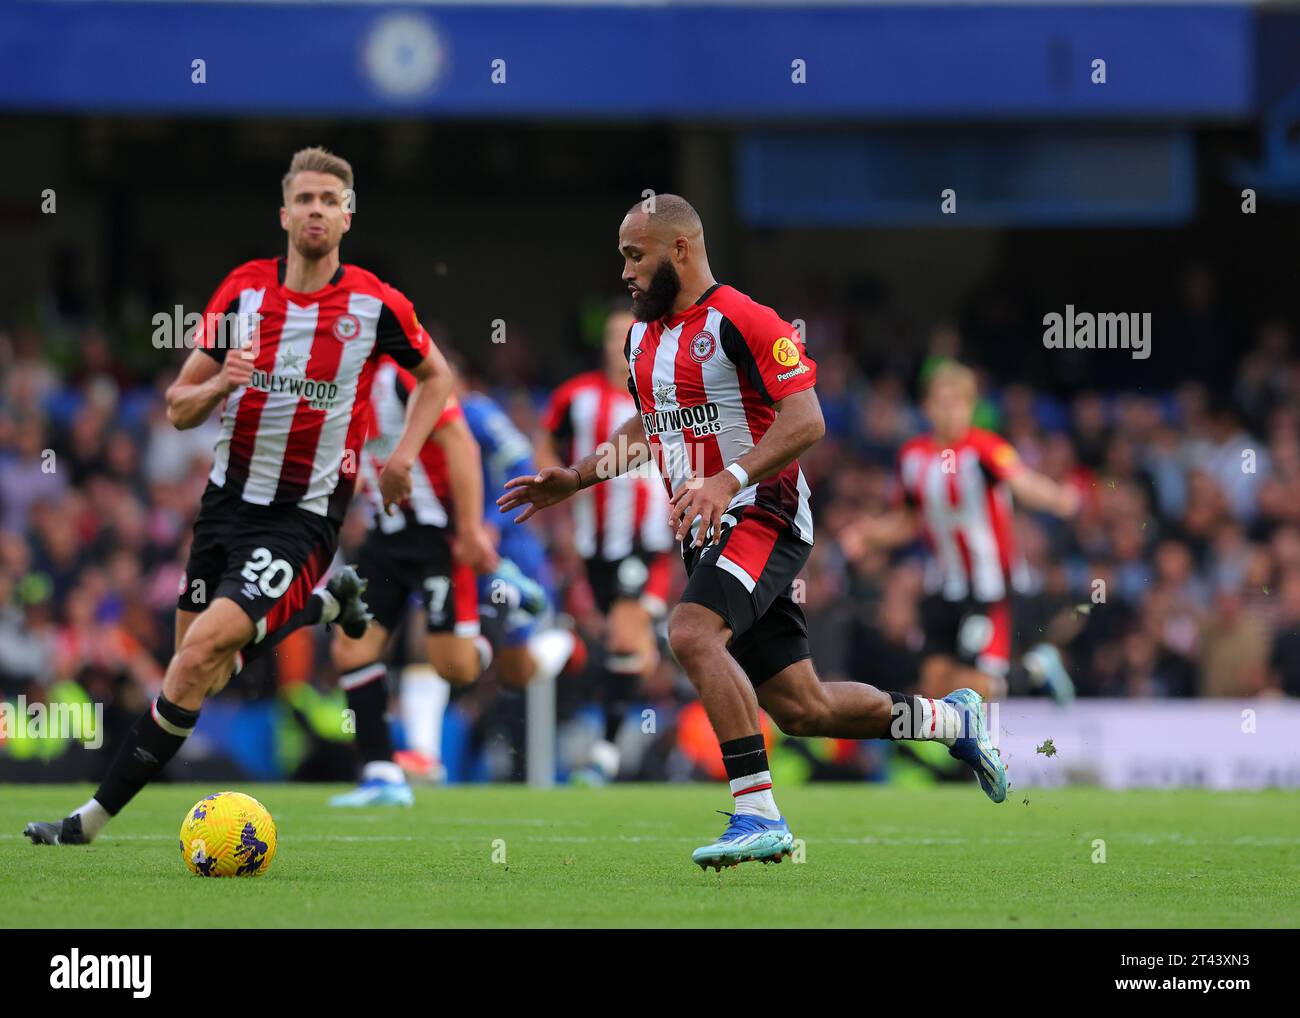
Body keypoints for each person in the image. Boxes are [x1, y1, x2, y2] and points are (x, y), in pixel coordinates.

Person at [498, 195, 1007, 871]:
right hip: (709, 528)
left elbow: (807, 419)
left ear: (680, 249)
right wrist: (577, 476)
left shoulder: (745, 319)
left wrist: (727, 479)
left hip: (764, 513)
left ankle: (758, 814)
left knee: (689, 633)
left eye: (635, 255)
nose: (625, 272)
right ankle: (951, 720)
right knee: (803, 709)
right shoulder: (641, 340)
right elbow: (650, 428)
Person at [25, 147, 452, 845]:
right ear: (284, 214)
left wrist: (402, 456)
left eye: (330, 200)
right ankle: (324, 606)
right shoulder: (244, 291)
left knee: (197, 656)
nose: (316, 210)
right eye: (305, 199)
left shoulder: (376, 305)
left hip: (303, 516)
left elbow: (437, 377)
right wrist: (222, 382)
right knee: (200, 671)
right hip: (225, 507)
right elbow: (177, 406)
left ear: (347, 216)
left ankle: (85, 823)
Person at [840, 361, 1080, 704]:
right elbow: (908, 521)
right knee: (934, 684)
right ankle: (1033, 670)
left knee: (976, 686)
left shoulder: (985, 449)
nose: (951, 411)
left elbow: (1023, 482)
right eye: (943, 402)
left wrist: (1058, 498)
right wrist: (868, 535)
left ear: (970, 407)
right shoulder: (912, 456)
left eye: (959, 403)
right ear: (927, 407)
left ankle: (1037, 670)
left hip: (990, 587)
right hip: (943, 585)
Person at [327, 357, 498, 807]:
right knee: (350, 646)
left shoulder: (405, 373)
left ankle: (493, 628)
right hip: (384, 537)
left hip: (436, 536)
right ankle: (382, 772)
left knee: (453, 667)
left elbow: (460, 443)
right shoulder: (337, 378)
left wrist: (469, 530)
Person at [537, 308, 675, 780]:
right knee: (613, 644)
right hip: (592, 545)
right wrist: (556, 499)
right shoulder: (575, 397)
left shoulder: (666, 394)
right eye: (614, 336)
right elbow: (545, 443)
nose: (621, 345)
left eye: (629, 336)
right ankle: (656, 641)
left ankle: (606, 752)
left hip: (646, 540)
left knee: (622, 633)